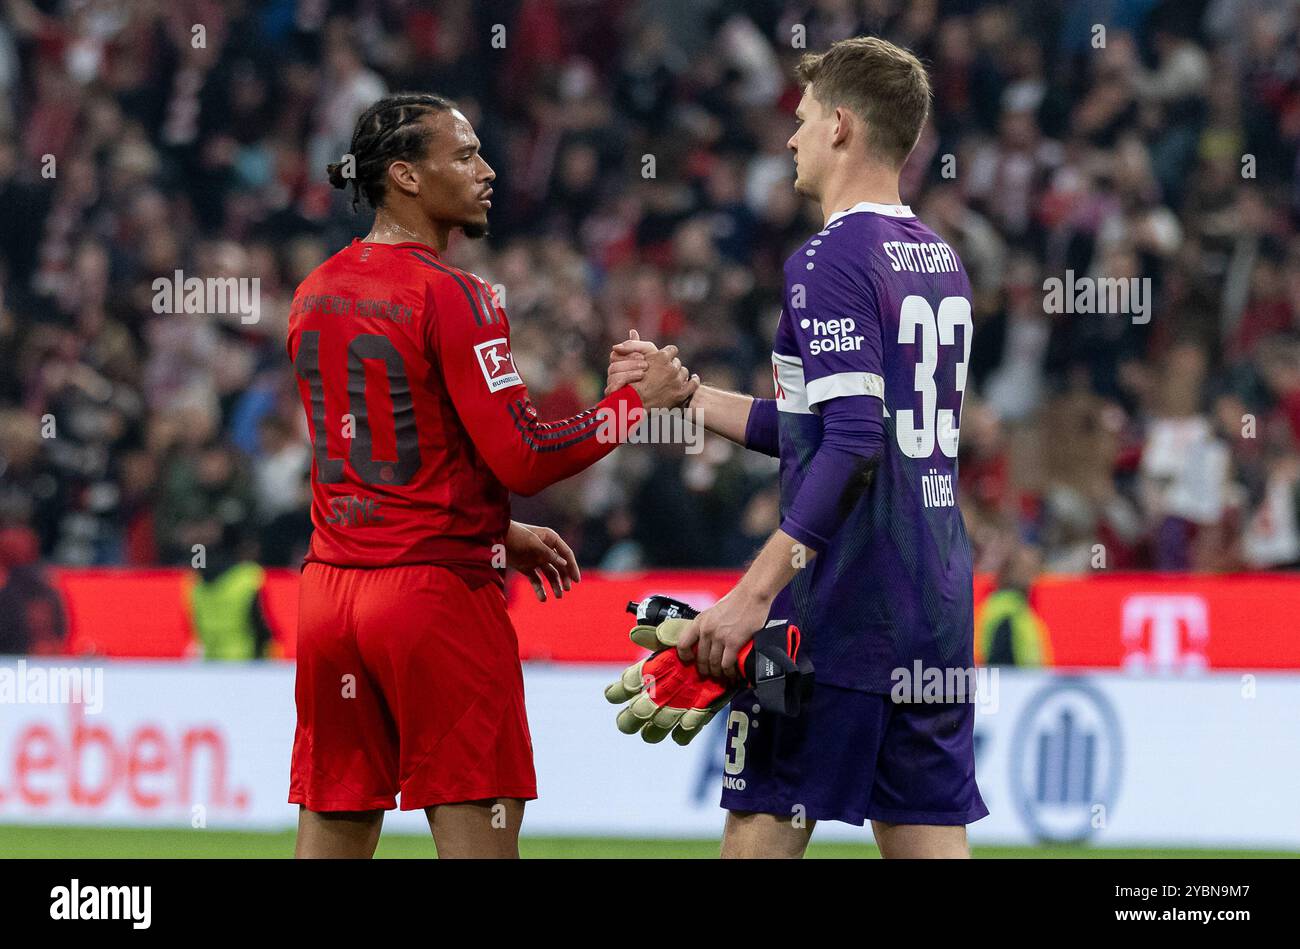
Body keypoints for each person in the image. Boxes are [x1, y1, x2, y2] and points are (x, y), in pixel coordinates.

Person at [288, 93, 695, 858]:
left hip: (330, 597)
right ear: (405, 176)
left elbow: (376, 454)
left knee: (333, 830)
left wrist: (496, 525)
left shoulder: (314, 291)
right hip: (433, 601)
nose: (489, 170)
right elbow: (527, 455)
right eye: (466, 156)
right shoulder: (456, 296)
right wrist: (634, 403)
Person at [608, 37, 987, 858]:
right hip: (937, 611)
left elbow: (851, 443)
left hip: (838, 614)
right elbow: (834, 433)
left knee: (760, 825)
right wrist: (692, 399)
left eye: (804, 117)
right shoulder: (942, 262)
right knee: (928, 839)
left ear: (841, 126)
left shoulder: (828, 259)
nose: (791, 137)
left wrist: (752, 596)